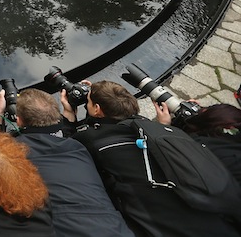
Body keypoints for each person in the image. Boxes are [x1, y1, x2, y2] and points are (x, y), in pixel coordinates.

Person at [66, 80, 240, 236]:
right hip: (216, 221)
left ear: (96, 109)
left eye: (88, 102)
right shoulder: (154, 129)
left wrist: (69, 117)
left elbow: (66, 147)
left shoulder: (94, 140)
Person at [0, 89, 133, 237]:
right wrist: (69, 114)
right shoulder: (78, 148)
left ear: (18, 120)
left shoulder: (13, 152)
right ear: (56, 116)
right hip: (114, 230)